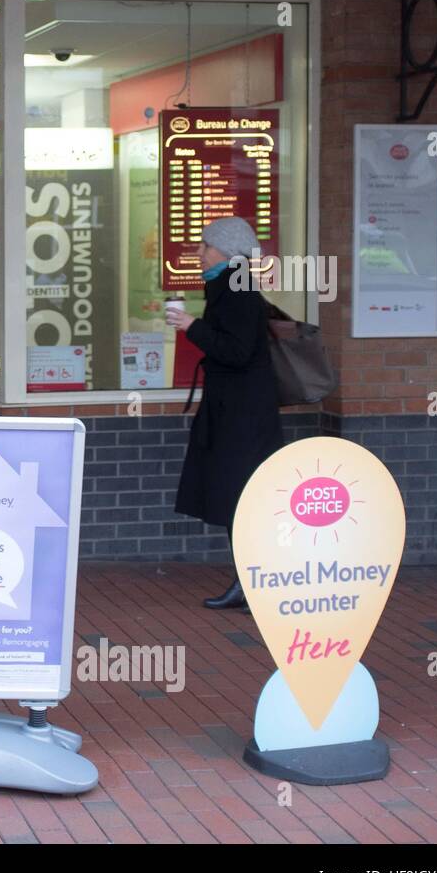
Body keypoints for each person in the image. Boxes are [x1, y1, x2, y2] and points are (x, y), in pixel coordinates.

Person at [165, 216, 283, 611]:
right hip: (234, 413)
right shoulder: (229, 285)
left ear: (225, 251)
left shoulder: (238, 288)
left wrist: (191, 325)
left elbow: (237, 350)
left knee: (242, 499)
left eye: (204, 246)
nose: (198, 253)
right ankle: (249, 583)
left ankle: (255, 585)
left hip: (243, 419)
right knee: (237, 499)